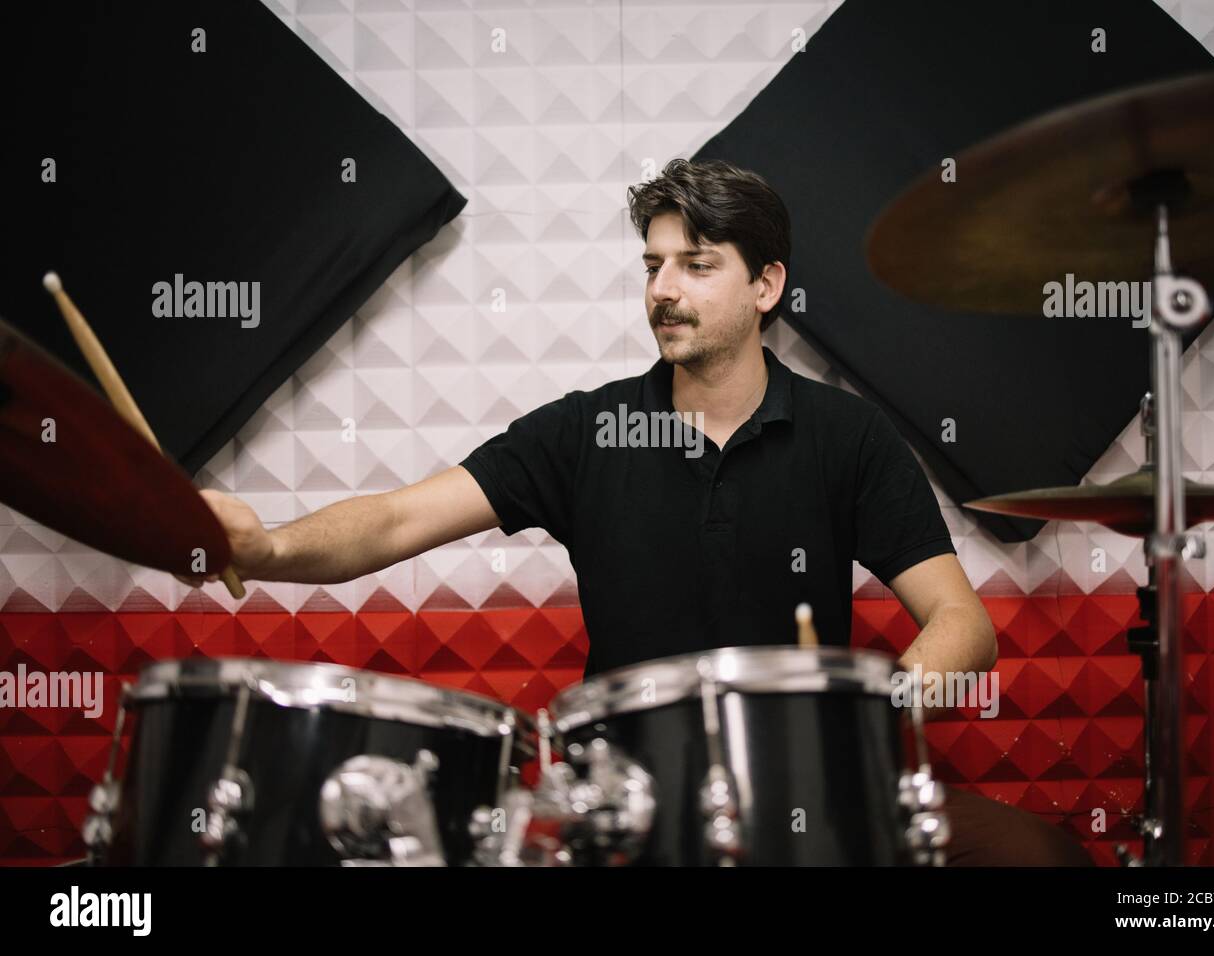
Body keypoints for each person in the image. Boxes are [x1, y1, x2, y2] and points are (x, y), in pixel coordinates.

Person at [179, 158, 1093, 866]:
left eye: (696, 266)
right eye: (654, 264)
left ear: (766, 286)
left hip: (809, 785)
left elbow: (962, 625)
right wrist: (264, 546)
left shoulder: (844, 435)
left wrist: (863, 722)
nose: (662, 289)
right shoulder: (586, 432)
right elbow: (391, 522)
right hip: (633, 795)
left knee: (1036, 856)